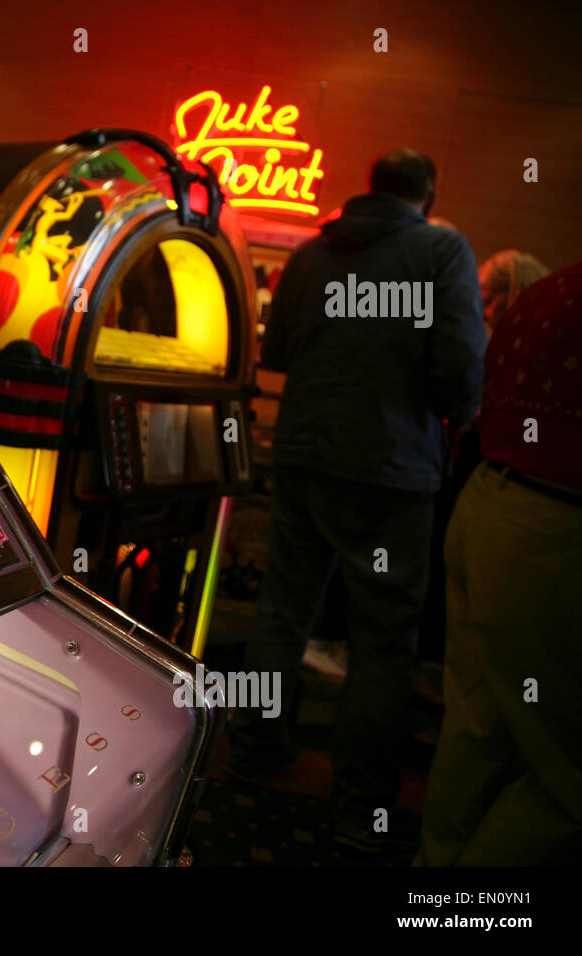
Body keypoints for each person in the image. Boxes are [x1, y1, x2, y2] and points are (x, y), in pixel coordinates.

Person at [225, 148, 487, 854]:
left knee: (283, 609)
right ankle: (359, 808)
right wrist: (452, 415)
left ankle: (253, 748)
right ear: (427, 195)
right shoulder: (444, 250)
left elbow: (275, 349)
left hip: (306, 453)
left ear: (371, 188)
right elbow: (462, 364)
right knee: (383, 642)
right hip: (393, 471)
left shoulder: (312, 253)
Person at [417, 258, 582, 865]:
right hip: (559, 523)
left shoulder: (552, 291)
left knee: (476, 727)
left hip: (491, 498)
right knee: (568, 778)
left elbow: (470, 389)